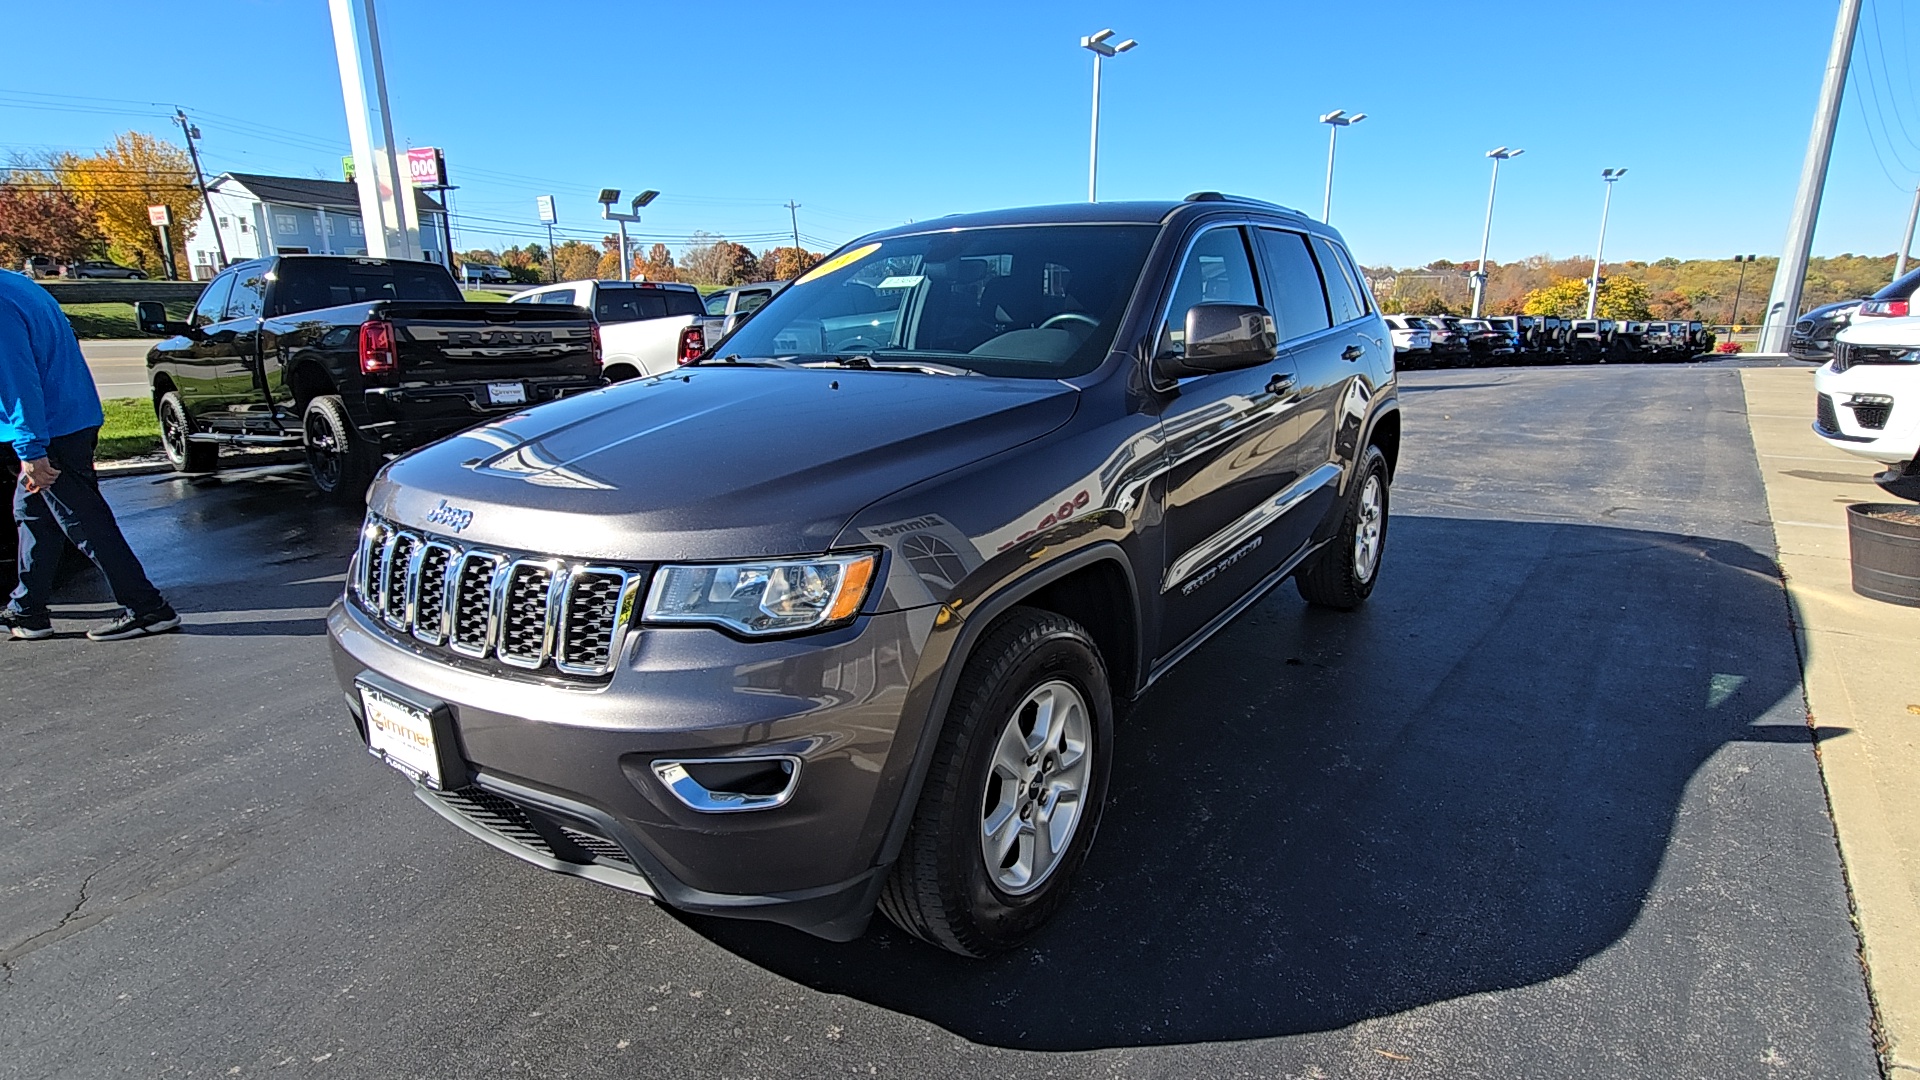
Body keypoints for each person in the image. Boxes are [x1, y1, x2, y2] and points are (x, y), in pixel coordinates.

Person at [0, 267, 178, 641]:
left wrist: (31, 448)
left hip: (51, 430)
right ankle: (27, 611)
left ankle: (148, 608)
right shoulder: (17, 285)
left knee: (84, 522)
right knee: (33, 514)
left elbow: (17, 379)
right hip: (69, 418)